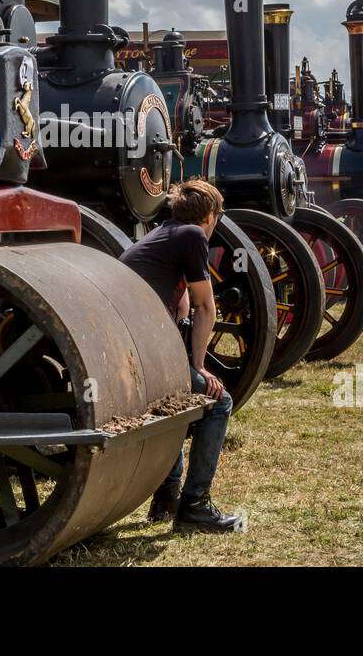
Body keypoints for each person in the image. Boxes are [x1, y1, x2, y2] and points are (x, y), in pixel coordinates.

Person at [120, 178, 239, 533]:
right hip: (145, 353)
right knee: (218, 402)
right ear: (210, 216)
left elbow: (182, 300)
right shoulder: (192, 236)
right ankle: (195, 506)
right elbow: (205, 307)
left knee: (175, 402)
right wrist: (200, 367)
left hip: (130, 350)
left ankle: (166, 498)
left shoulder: (161, 235)